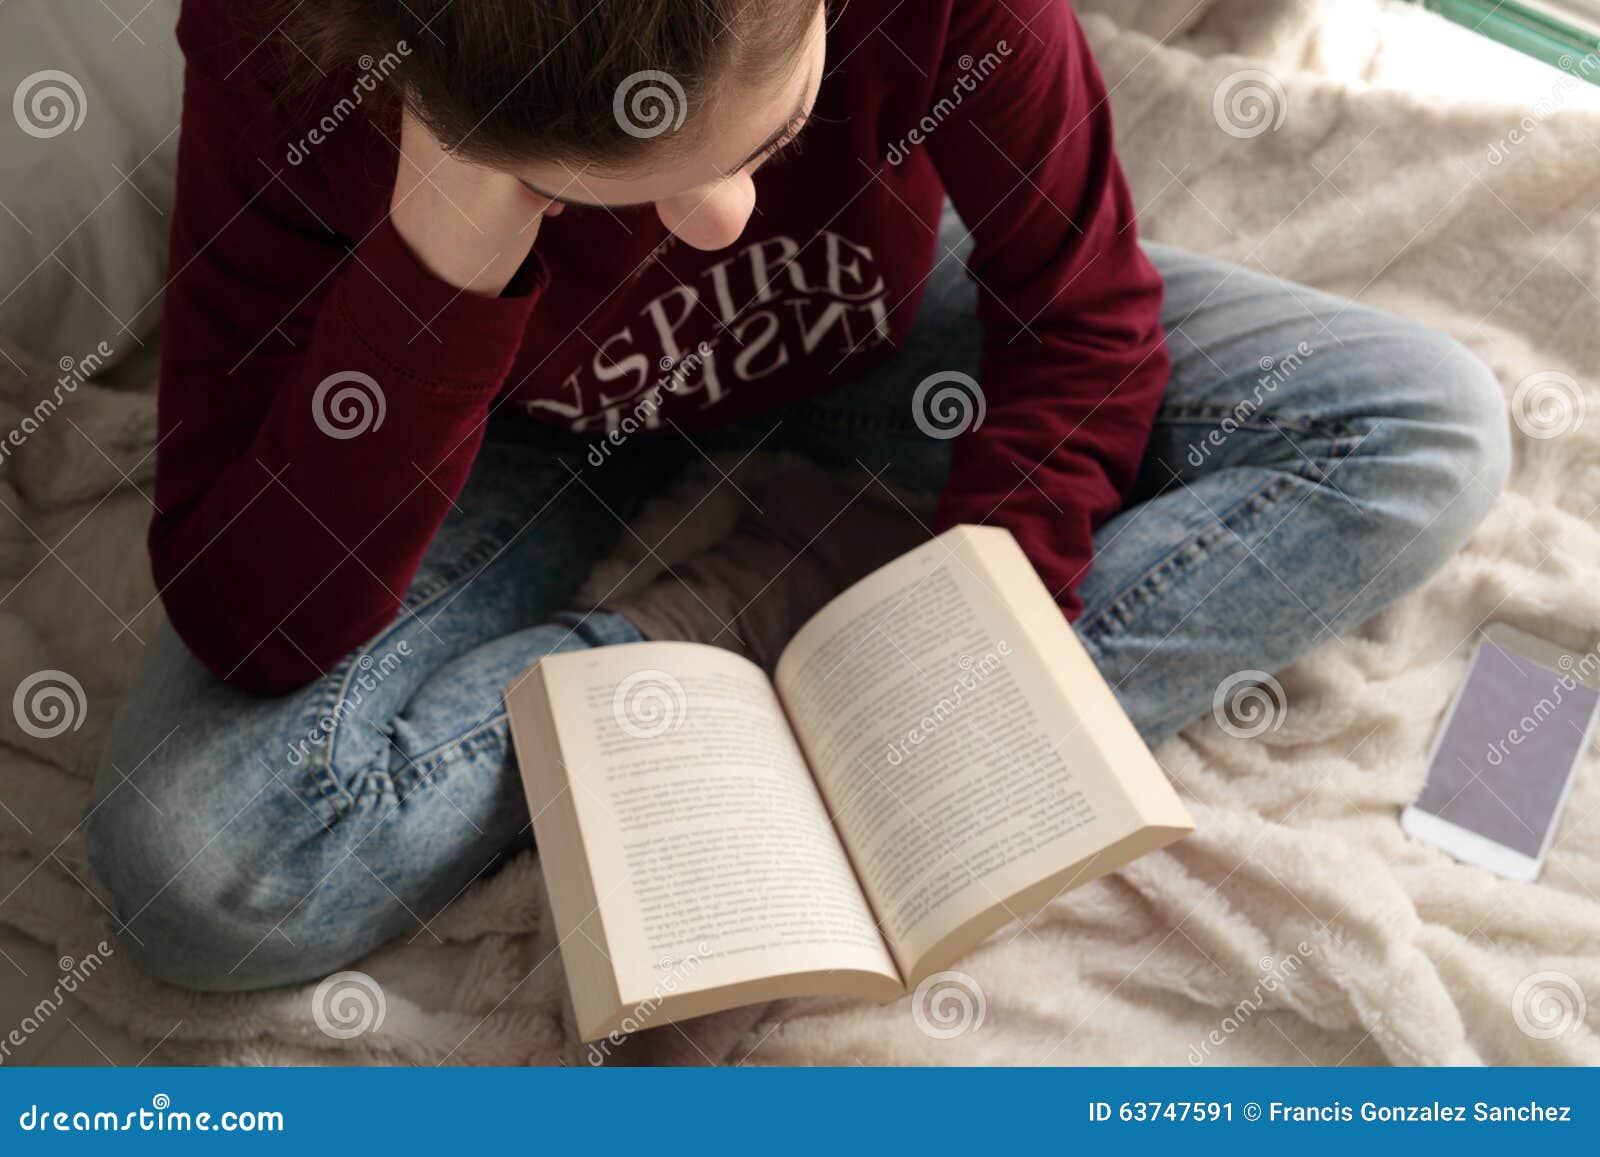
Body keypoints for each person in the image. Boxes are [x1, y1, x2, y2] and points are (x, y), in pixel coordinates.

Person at [85, 0, 1509, 992]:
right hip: (503, 414)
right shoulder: (291, 49)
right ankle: (738, 631)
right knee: (196, 865)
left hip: (870, 332)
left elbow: (1084, 316)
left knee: (1425, 424)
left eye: (766, 144)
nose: (713, 224)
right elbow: (244, 612)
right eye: (584, 190)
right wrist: (447, 255)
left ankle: (871, 695)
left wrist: (977, 606)